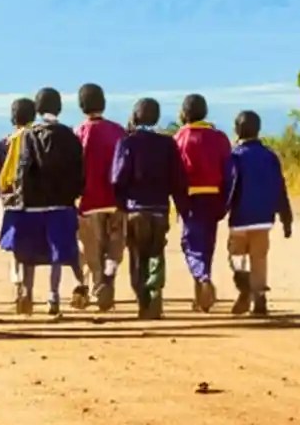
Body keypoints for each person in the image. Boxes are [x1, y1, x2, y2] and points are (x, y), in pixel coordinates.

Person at [111, 98, 188, 320]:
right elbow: (177, 179)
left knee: (137, 255)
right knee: (156, 252)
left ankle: (143, 300)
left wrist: (120, 205)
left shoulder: (127, 143)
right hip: (160, 209)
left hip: (135, 209)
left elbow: (118, 178)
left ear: (135, 116)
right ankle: (155, 291)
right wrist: (181, 207)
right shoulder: (167, 144)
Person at [14, 88, 85, 317]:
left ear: (37, 109)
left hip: (33, 204)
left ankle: (27, 293)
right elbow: (79, 171)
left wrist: (22, 200)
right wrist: (73, 195)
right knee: (57, 253)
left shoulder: (30, 135)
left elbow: (24, 168)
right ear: (60, 108)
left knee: (29, 254)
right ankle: (53, 296)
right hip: (61, 204)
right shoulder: (70, 136)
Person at [224, 110, 294, 317]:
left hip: (240, 217)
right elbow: (280, 188)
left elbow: (230, 185)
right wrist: (286, 217)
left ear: (237, 129)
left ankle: (244, 286)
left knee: (236, 256)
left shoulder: (234, 156)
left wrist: (221, 209)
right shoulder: (270, 156)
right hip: (264, 218)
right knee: (259, 257)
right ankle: (260, 296)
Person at [173, 94, 233, 313]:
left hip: (191, 197)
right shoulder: (219, 137)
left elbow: (176, 174)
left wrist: (179, 202)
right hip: (214, 196)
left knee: (190, 245)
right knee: (207, 245)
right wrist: (225, 202)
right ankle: (200, 296)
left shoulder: (180, 137)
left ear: (184, 113)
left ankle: (202, 277)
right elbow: (229, 173)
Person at [73, 83, 127, 312]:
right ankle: (108, 278)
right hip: (115, 200)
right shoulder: (118, 130)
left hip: (89, 201)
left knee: (91, 250)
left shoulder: (78, 133)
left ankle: (98, 285)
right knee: (114, 247)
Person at [0, 98, 37, 314]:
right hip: (32, 200)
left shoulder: (5, 142)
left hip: (10, 200)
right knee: (29, 249)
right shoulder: (37, 138)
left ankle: (18, 286)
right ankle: (28, 289)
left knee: (14, 250)